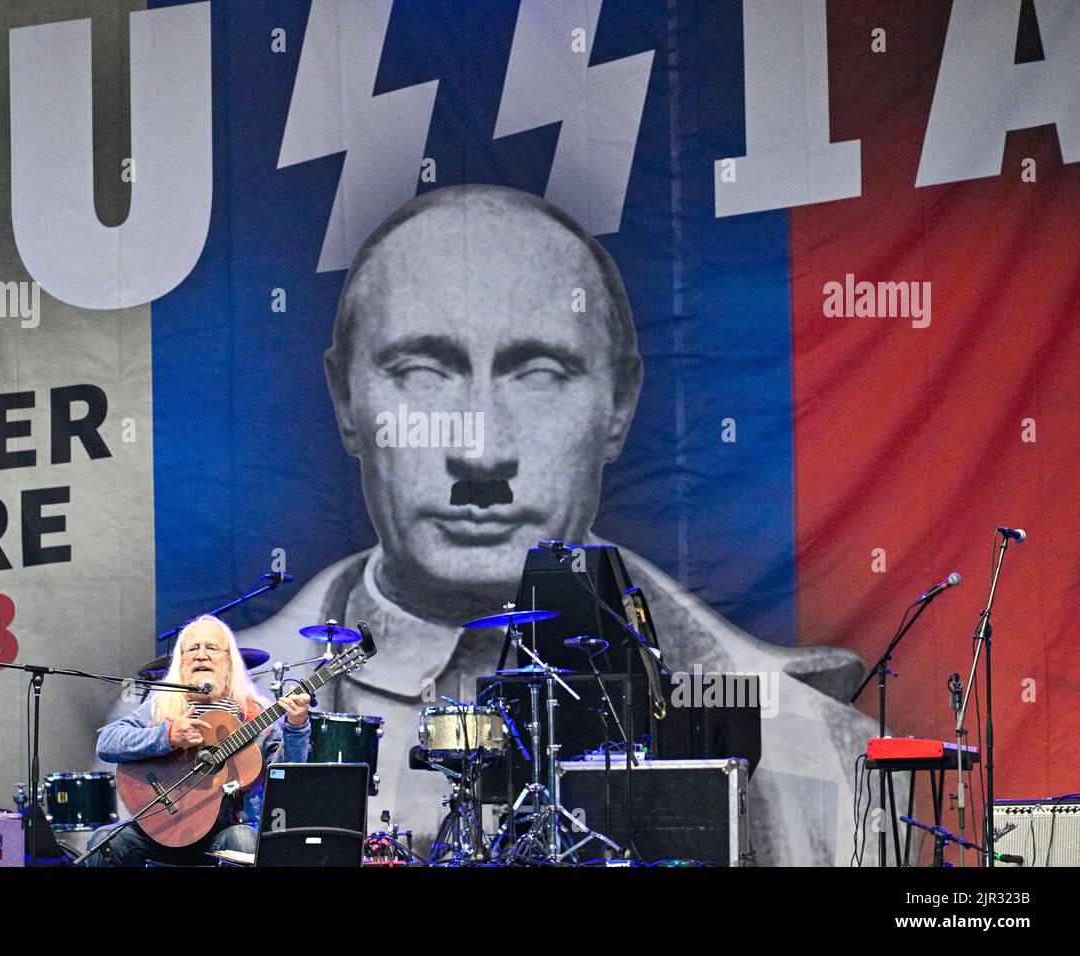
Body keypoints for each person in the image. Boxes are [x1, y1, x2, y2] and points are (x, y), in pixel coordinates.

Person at [240, 184, 889, 866]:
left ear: (620, 404)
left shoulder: (820, 749)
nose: (482, 453)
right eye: (423, 371)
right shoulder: (224, 710)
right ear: (345, 399)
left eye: (540, 374)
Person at [85, 615, 310, 866]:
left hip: (224, 831)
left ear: (229, 662)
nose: (201, 655)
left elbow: (286, 778)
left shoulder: (255, 713)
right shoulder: (161, 704)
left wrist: (296, 726)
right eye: (192, 649)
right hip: (159, 829)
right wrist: (167, 736)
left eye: (211, 648)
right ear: (181, 662)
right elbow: (107, 742)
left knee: (244, 840)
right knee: (103, 842)